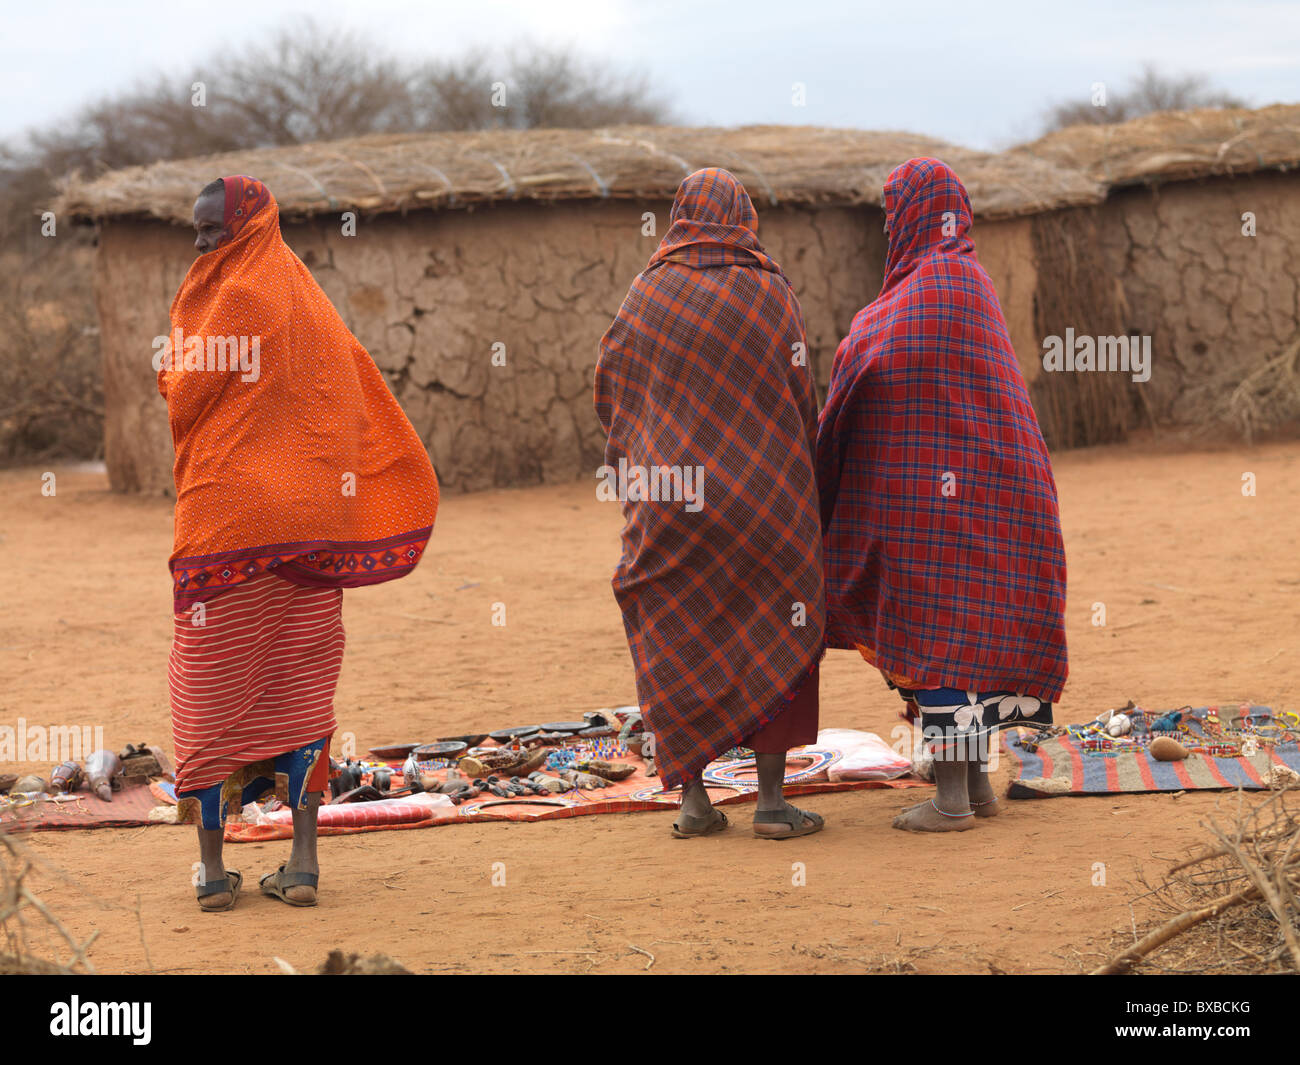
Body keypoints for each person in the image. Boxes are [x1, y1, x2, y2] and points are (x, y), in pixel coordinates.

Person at [162, 176, 439, 908]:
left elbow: (186, 391)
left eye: (209, 230)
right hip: (310, 533)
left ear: (244, 225)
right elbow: (350, 390)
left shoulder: (237, 299)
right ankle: (304, 863)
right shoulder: (308, 299)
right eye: (195, 230)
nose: (199, 243)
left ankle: (215, 873)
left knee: (208, 685)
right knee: (300, 687)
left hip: (226, 524)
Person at [816, 158, 1068, 833]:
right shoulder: (971, 280)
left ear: (907, 216)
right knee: (970, 631)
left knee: (937, 638)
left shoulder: (925, 290)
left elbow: (871, 358)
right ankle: (978, 785)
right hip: (1000, 491)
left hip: (934, 507)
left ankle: (952, 800)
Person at [595, 168, 826, 840]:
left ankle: (694, 800)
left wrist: (635, 456)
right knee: (773, 625)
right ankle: (773, 804)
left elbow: (612, 384)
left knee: (674, 625)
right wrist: (802, 466)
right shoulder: (769, 291)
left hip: (671, 499)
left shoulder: (647, 293)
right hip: (767, 499)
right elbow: (799, 388)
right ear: (744, 218)